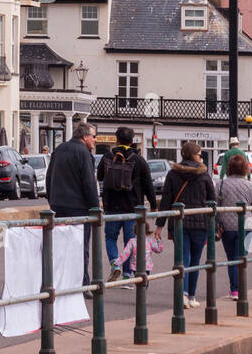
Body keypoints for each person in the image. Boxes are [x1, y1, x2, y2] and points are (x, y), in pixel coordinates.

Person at [154, 141, 218, 308]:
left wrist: (159, 225)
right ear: (192, 155)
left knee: (182, 259)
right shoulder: (204, 175)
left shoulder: (173, 174)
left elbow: (166, 200)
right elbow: (213, 200)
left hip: (178, 223)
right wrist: (215, 224)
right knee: (195, 261)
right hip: (200, 223)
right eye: (199, 154)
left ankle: (182, 295)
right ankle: (191, 296)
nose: (201, 157)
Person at [97, 126, 156, 281]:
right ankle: (127, 274)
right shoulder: (139, 160)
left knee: (110, 238)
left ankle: (115, 264)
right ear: (132, 140)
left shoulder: (107, 157)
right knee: (130, 240)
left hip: (112, 206)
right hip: (133, 206)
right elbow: (148, 184)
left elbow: (100, 176)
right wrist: (154, 205)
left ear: (117, 139)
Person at [46, 121, 99, 286]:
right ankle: (82, 283)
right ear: (85, 137)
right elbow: (89, 183)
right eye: (94, 136)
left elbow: (49, 177)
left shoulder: (59, 149)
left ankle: (61, 282)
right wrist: (95, 207)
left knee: (61, 247)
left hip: (58, 205)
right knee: (80, 247)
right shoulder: (84, 153)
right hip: (78, 208)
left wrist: (52, 200)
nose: (95, 140)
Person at [214, 150, 252, 300]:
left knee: (231, 259)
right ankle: (239, 288)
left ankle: (234, 290)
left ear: (229, 168)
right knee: (241, 257)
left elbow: (214, 204)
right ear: (245, 168)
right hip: (246, 227)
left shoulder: (220, 184)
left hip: (226, 227)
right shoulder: (250, 185)